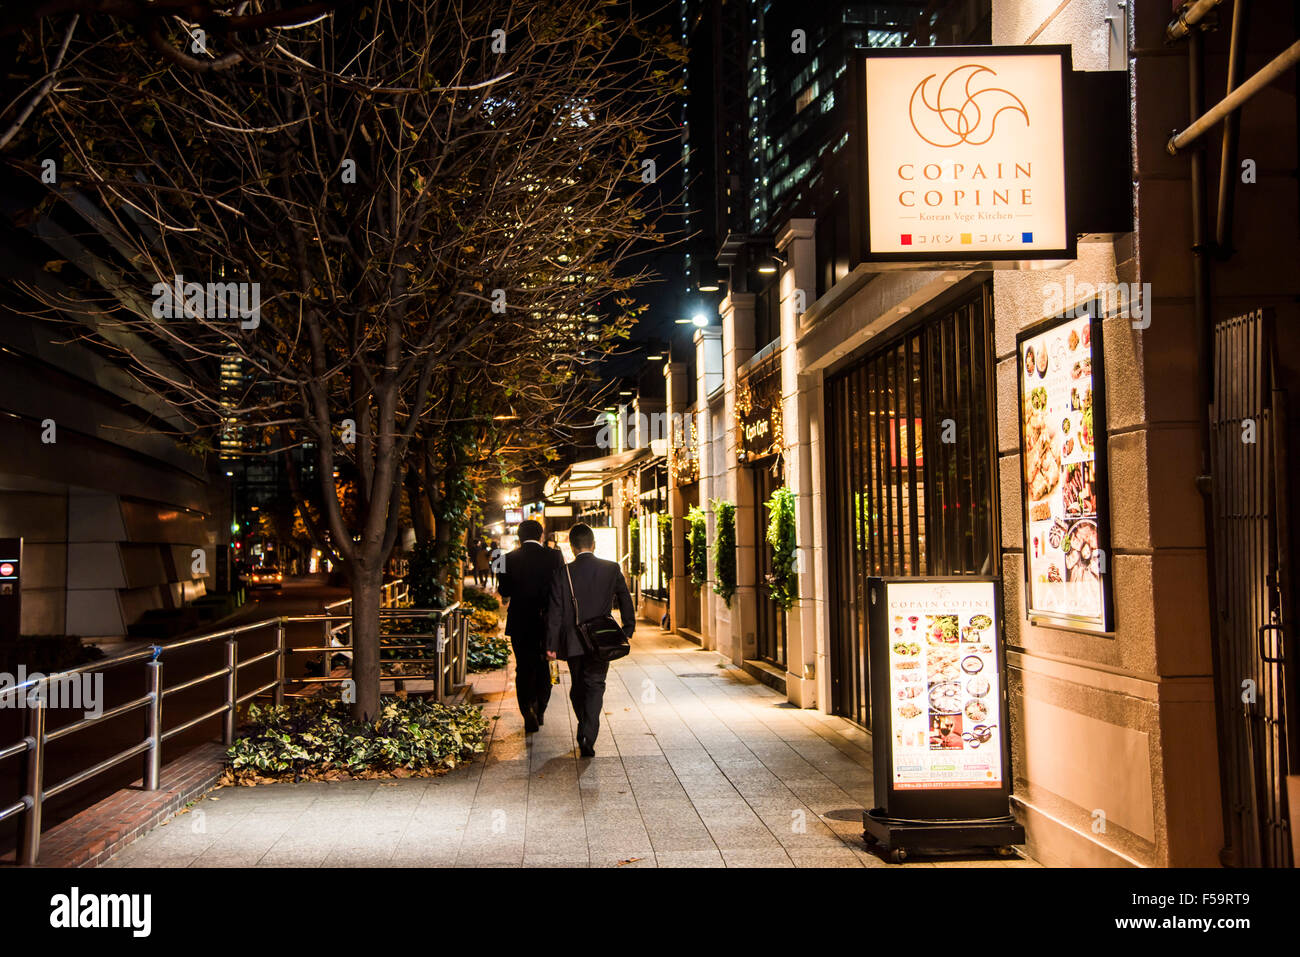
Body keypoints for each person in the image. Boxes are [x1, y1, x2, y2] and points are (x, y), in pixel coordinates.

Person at [546, 523, 635, 757]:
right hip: (601, 640)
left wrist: (551, 646)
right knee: (595, 685)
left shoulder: (562, 573)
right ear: (593, 544)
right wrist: (627, 628)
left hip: (573, 641)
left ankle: (585, 728)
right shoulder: (611, 568)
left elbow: (555, 612)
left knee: (577, 687)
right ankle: (588, 732)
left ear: (572, 547)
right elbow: (625, 598)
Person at [498, 520, 564, 733]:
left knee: (523, 666)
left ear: (518, 536)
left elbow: (504, 591)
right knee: (546, 664)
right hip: (547, 621)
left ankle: (527, 710)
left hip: (520, 621)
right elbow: (561, 586)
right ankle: (540, 707)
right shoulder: (554, 556)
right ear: (541, 535)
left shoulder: (507, 558)